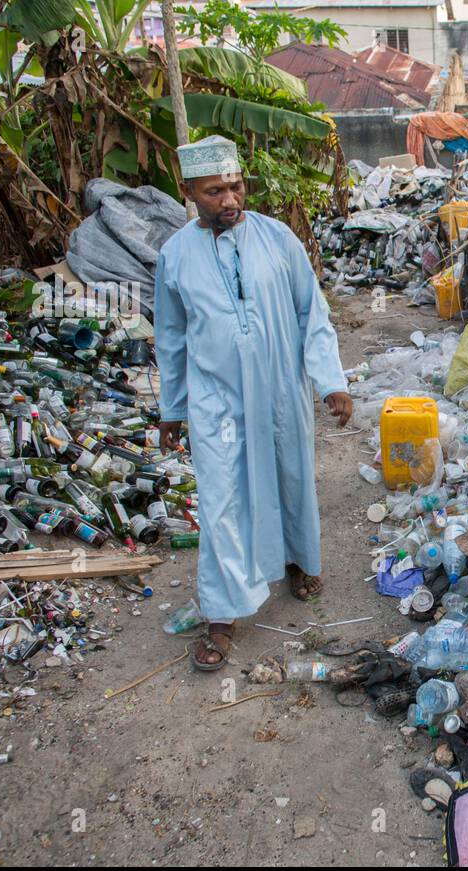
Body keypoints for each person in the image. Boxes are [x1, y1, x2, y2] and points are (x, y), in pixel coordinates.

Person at [154, 135, 353, 671]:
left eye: (236, 186)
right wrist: (172, 408)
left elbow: (313, 313)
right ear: (190, 191)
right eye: (215, 191)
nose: (230, 200)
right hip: (215, 399)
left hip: (280, 389)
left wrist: (330, 380)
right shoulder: (175, 256)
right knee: (221, 501)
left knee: (288, 476)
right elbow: (170, 339)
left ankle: (298, 560)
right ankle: (222, 614)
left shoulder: (278, 238)